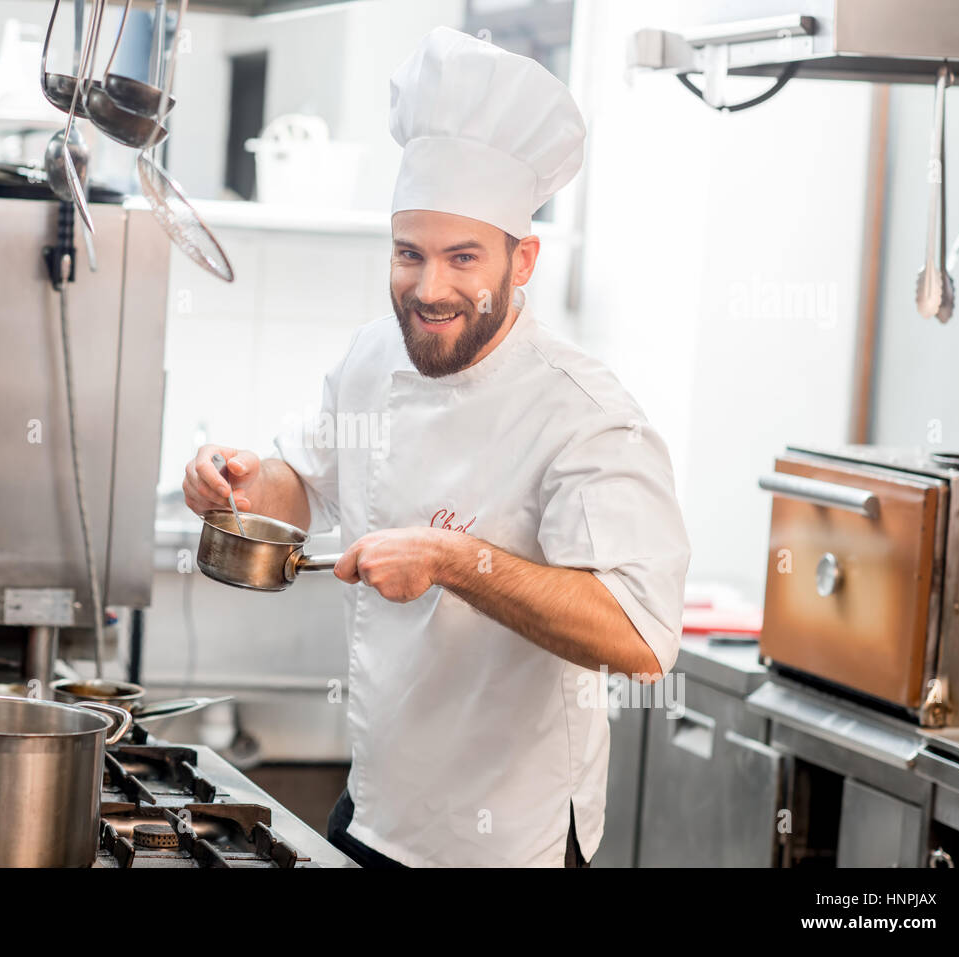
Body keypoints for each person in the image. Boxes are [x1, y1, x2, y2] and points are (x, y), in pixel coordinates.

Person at [183, 26, 690, 867]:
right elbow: (296, 487)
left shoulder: (586, 413)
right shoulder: (371, 356)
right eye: (409, 254)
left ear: (521, 259)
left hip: (510, 838)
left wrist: (457, 561)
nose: (430, 288)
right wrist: (233, 481)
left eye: (464, 258)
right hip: (379, 802)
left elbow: (641, 636)